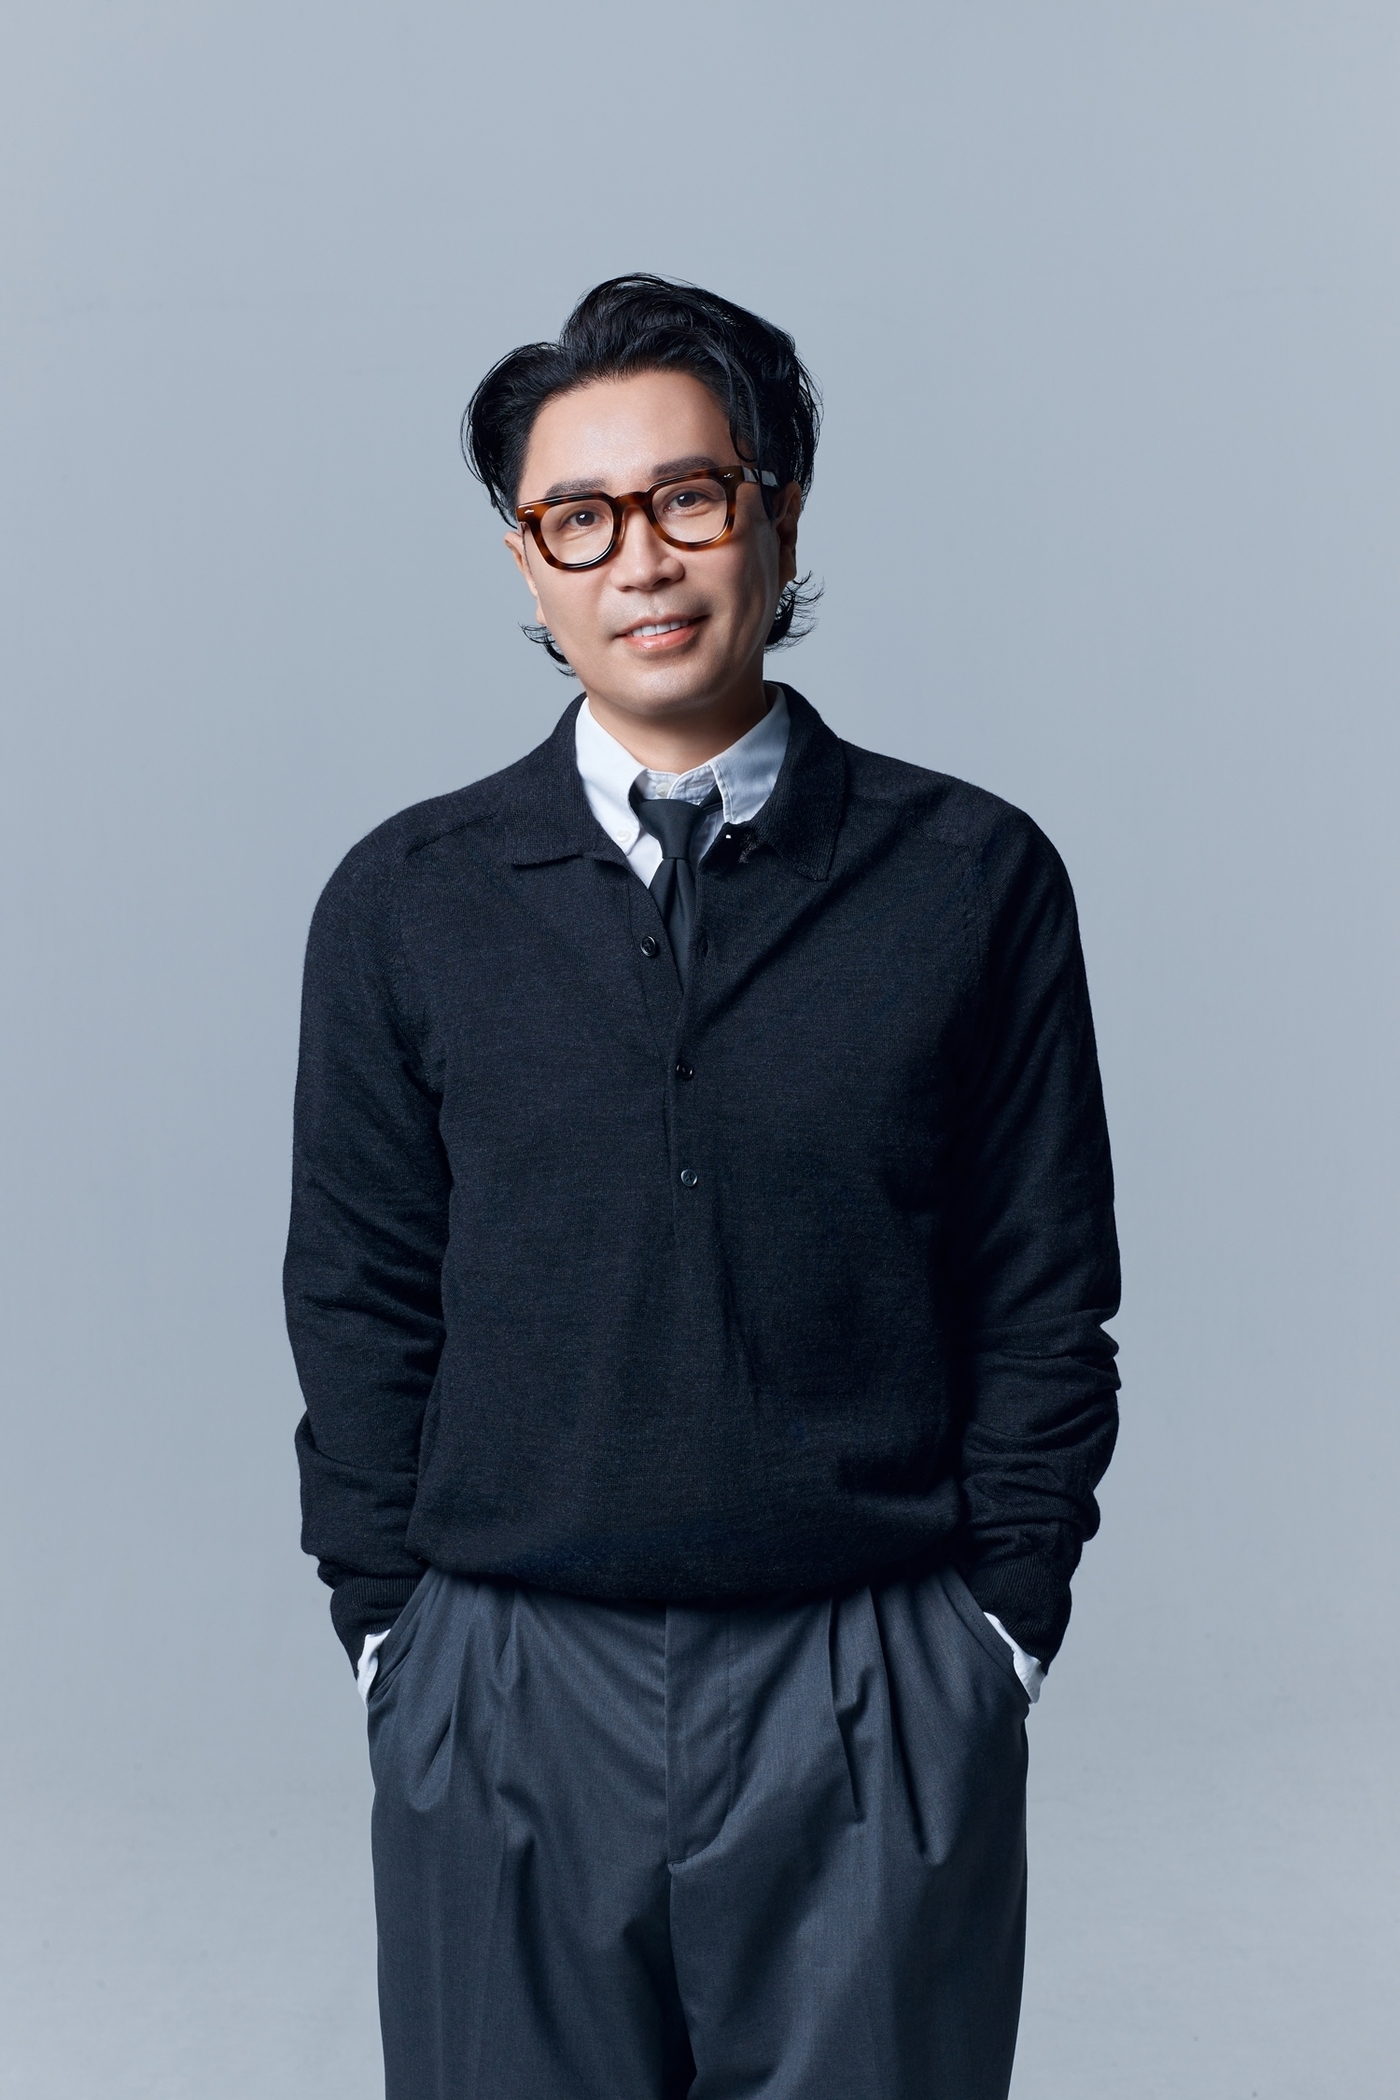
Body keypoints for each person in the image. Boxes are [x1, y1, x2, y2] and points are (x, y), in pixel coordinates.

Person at [284, 274, 1120, 2100]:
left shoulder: (970, 876)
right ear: (528, 563)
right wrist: (391, 1639)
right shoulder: (408, 901)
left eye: (688, 496)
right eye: (578, 519)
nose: (641, 561)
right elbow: (357, 1294)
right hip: (503, 1680)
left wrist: (998, 1631)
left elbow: (1044, 1285)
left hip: (870, 1674)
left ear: (778, 514)